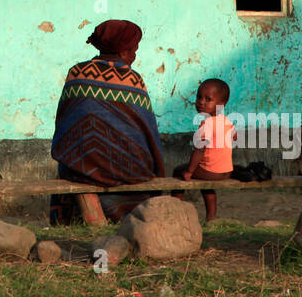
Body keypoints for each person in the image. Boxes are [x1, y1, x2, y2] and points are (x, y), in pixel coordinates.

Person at [50, 19, 166, 223]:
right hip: (127, 170)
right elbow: (148, 130)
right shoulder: (133, 79)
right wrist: (159, 171)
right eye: (133, 49)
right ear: (122, 51)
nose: (135, 55)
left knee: (68, 165)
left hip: (80, 168)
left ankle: (72, 219)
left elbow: (63, 121)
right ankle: (125, 216)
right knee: (140, 171)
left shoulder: (76, 73)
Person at [172, 79, 234, 222]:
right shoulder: (226, 121)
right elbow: (234, 136)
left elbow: (198, 151)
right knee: (206, 185)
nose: (201, 102)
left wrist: (190, 171)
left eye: (208, 99)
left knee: (178, 171)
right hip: (226, 172)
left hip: (211, 173)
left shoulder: (207, 124)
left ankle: (175, 210)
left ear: (221, 105)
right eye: (199, 97)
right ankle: (211, 217)